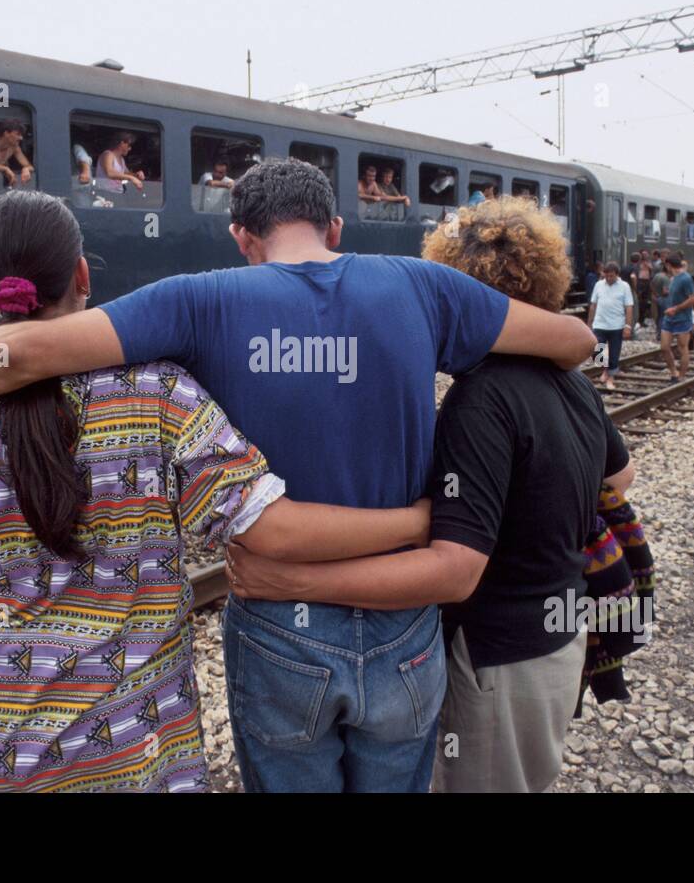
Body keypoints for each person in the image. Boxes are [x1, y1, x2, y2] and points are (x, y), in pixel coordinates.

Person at [0, 159, 597, 793]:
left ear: (243, 238)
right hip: (405, 622)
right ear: (335, 227)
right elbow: (575, 340)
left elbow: (23, 357)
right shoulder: (425, 286)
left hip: (281, 626)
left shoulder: (198, 298)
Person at [224, 196, 635, 793]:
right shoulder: (570, 383)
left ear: (458, 293)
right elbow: (618, 479)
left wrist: (294, 584)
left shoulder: (483, 399)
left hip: (499, 656)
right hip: (561, 636)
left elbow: (454, 573)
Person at [588, 261, 634, 390]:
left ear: (617, 275)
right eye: (606, 276)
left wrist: (628, 326)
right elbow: (593, 305)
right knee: (597, 352)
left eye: (611, 276)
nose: (609, 278)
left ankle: (610, 378)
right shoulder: (598, 285)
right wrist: (589, 323)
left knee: (614, 353)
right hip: (599, 324)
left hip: (616, 325)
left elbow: (629, 307)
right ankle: (605, 369)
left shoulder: (624, 286)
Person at [659, 255, 694, 381]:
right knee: (664, 347)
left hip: (682, 318)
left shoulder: (686, 278)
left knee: (682, 348)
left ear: (669, 265)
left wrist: (675, 309)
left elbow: (693, 298)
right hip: (669, 318)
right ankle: (673, 372)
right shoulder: (673, 278)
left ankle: (681, 376)